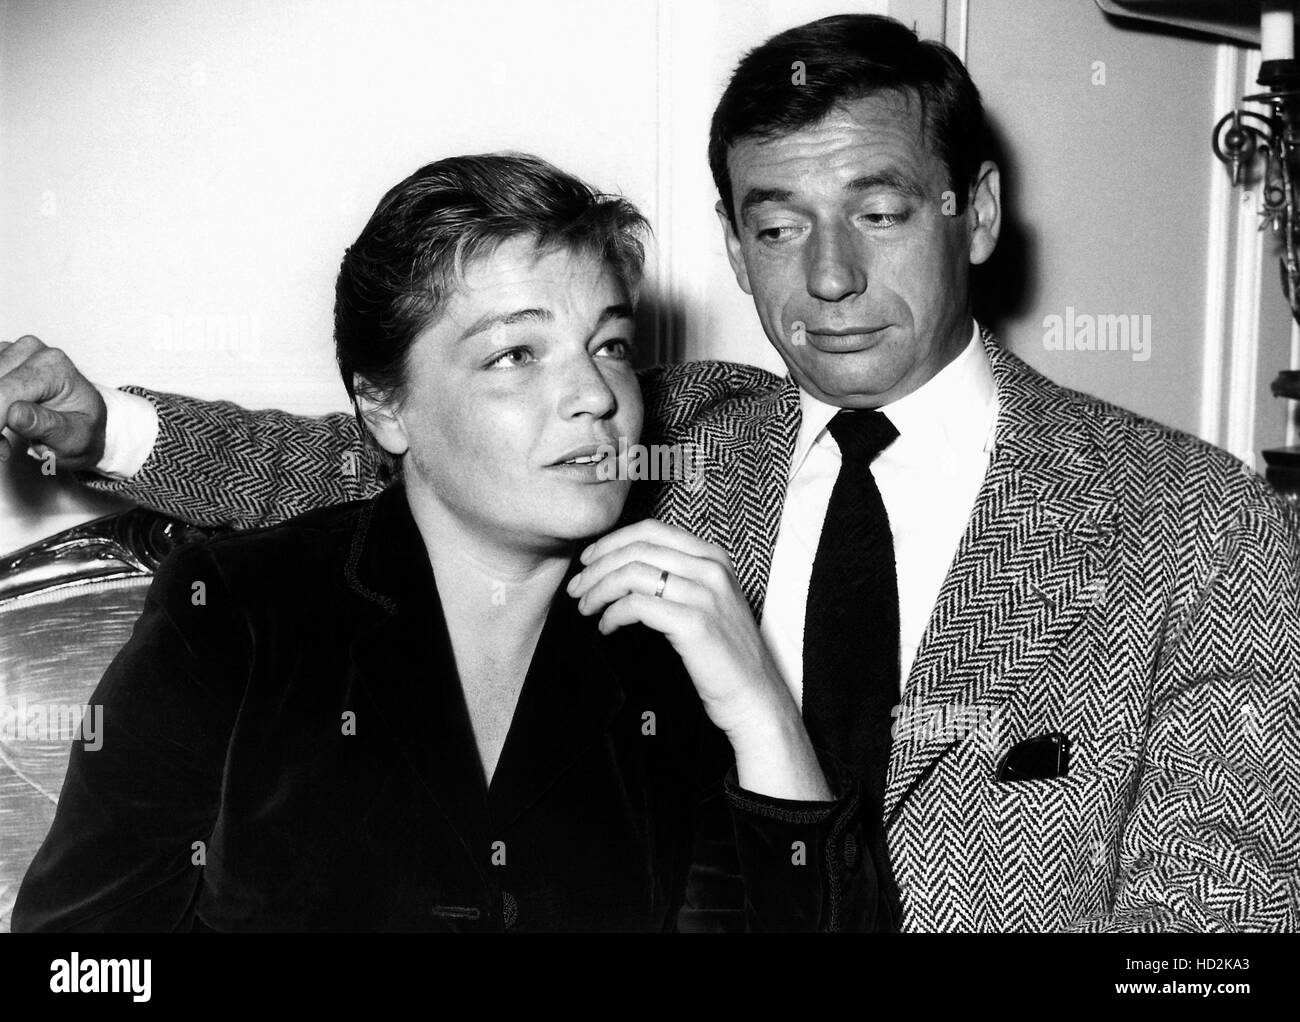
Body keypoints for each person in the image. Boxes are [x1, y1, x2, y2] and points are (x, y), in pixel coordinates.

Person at [3, 14, 1298, 932]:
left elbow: (1209, 943)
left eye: (882, 211)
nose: (829, 275)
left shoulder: (1191, 524)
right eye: (777, 225)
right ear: (733, 251)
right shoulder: (656, 444)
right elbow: (382, 459)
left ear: (977, 213)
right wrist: (103, 424)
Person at [9, 153, 887, 933]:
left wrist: (762, 713)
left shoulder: (672, 657)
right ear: (385, 406)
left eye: (611, 344)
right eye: (516, 354)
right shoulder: (235, 617)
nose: (594, 394)